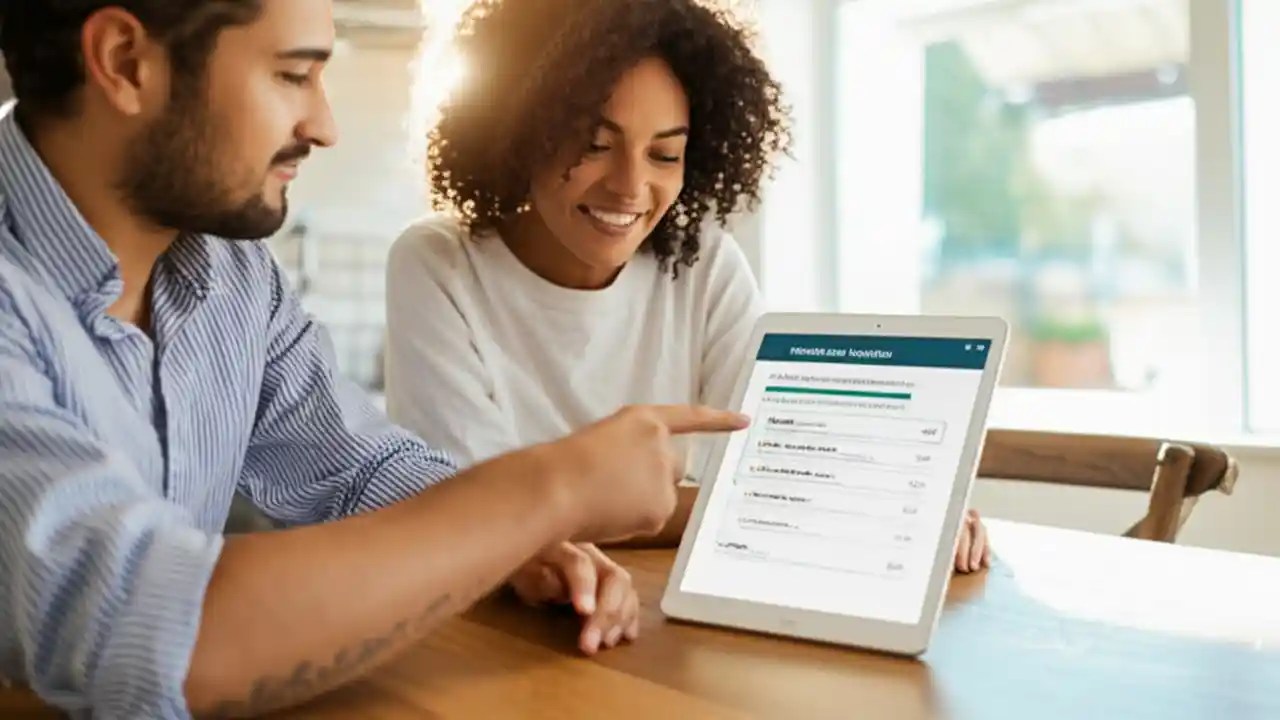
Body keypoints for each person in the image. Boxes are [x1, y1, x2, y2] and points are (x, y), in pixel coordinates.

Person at [0, 1, 748, 717]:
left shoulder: (231, 276)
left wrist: (524, 549)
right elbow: (143, 635)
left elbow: (357, 468)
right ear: (126, 62)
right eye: (294, 75)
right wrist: (547, 491)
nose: (325, 125)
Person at [383, 0, 991, 610]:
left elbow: (774, 457)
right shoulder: (440, 265)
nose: (629, 185)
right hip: (492, 625)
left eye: (664, 154)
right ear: (518, 130)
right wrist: (803, 511)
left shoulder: (702, 262)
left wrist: (888, 504)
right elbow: (471, 511)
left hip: (649, 613)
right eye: (595, 144)